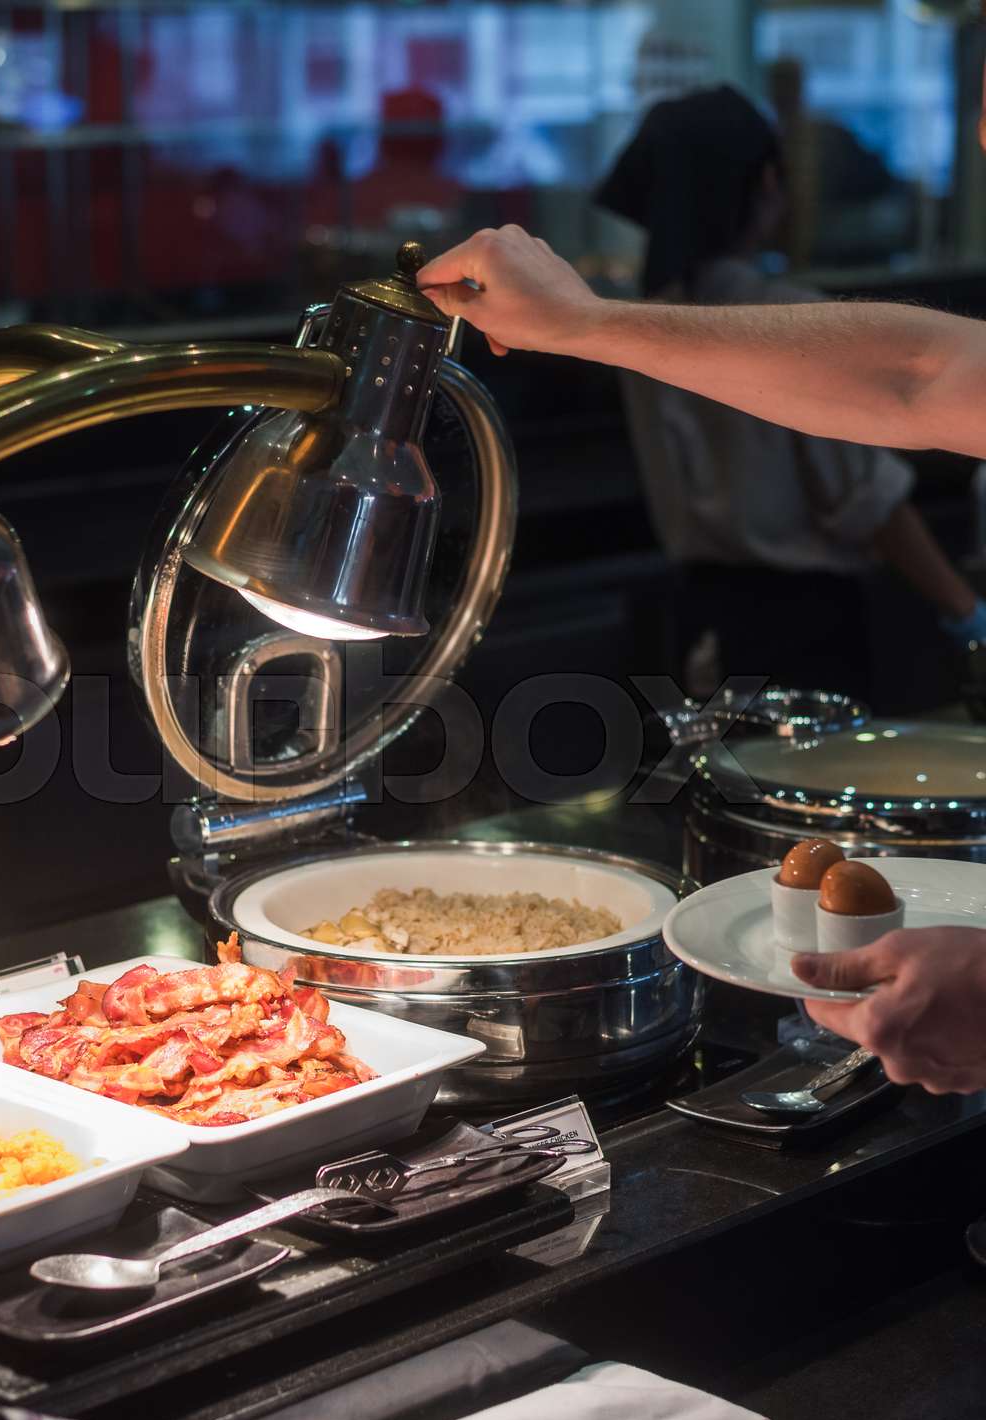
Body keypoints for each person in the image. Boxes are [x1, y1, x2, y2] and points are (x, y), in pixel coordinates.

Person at [414, 77, 986, 1093]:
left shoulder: (708, 311)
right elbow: (922, 380)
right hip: (760, 612)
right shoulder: (736, 318)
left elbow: (921, 382)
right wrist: (583, 321)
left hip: (728, 615)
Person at [594, 85, 983, 699]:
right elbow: (867, 502)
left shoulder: (639, 324)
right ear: (767, 184)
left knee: (717, 764)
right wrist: (966, 611)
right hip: (800, 627)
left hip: (695, 619)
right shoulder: (790, 318)